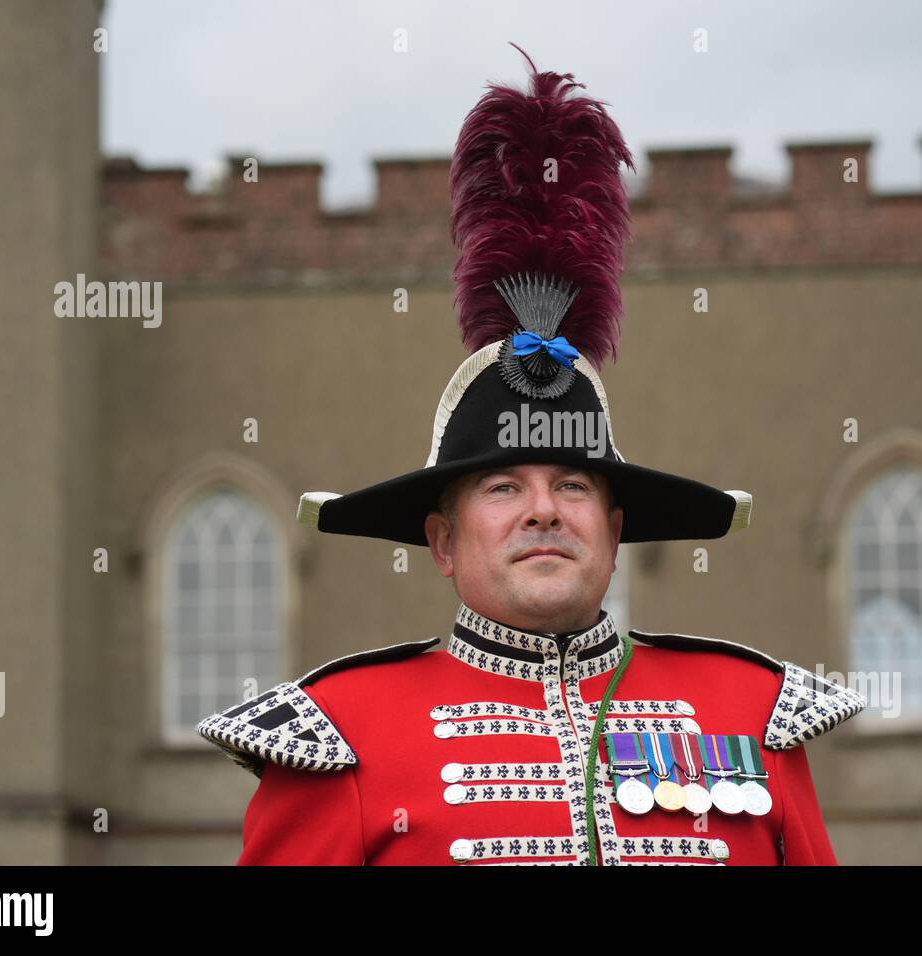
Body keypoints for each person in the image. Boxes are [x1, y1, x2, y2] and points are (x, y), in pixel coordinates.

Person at [197, 44, 865, 866]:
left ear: (616, 531)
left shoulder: (749, 712)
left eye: (573, 484)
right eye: (504, 485)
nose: (543, 509)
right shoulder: (339, 737)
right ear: (441, 542)